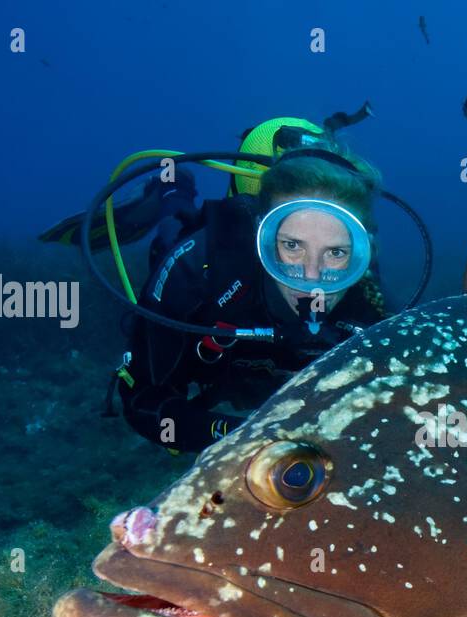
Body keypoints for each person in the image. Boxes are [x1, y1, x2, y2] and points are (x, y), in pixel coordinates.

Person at [112, 121, 388, 452]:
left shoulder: (371, 301)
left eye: (336, 253)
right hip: (220, 366)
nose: (311, 278)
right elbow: (142, 400)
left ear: (361, 251)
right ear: (264, 237)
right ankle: (173, 193)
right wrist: (246, 439)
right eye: (292, 246)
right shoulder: (195, 270)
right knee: (171, 232)